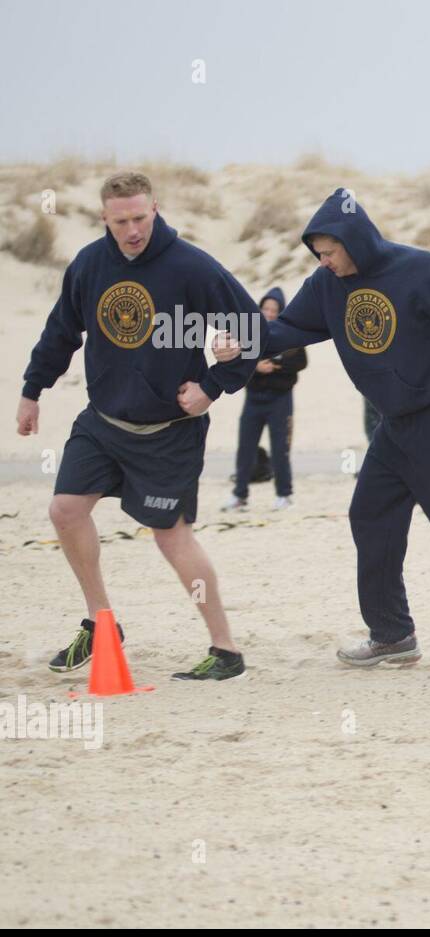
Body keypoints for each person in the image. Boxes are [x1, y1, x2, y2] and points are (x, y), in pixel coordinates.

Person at [215, 188, 430, 667]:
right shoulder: (326, 286)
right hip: (395, 425)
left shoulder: (414, 268)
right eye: (317, 254)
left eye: (329, 252)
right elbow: (284, 330)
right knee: (370, 516)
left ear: (355, 241)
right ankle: (392, 635)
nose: (323, 262)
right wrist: (240, 344)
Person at [17, 171, 265, 681]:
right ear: (104, 218)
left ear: (156, 207)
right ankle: (102, 622)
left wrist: (213, 386)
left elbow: (251, 328)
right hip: (103, 422)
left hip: (168, 431)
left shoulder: (190, 267)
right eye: (121, 221)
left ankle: (226, 650)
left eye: (140, 218)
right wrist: (31, 391)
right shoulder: (89, 263)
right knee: (65, 510)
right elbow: (62, 331)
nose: (132, 230)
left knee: (169, 535)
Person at [223, 287, 306, 511]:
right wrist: (256, 366)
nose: (269, 313)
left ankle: (284, 495)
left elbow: (300, 362)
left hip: (280, 400)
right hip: (253, 400)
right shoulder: (249, 332)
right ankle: (240, 495)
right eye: (266, 308)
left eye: (274, 309)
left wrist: (275, 366)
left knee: (281, 449)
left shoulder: (290, 333)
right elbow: (237, 360)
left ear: (281, 311)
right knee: (245, 448)